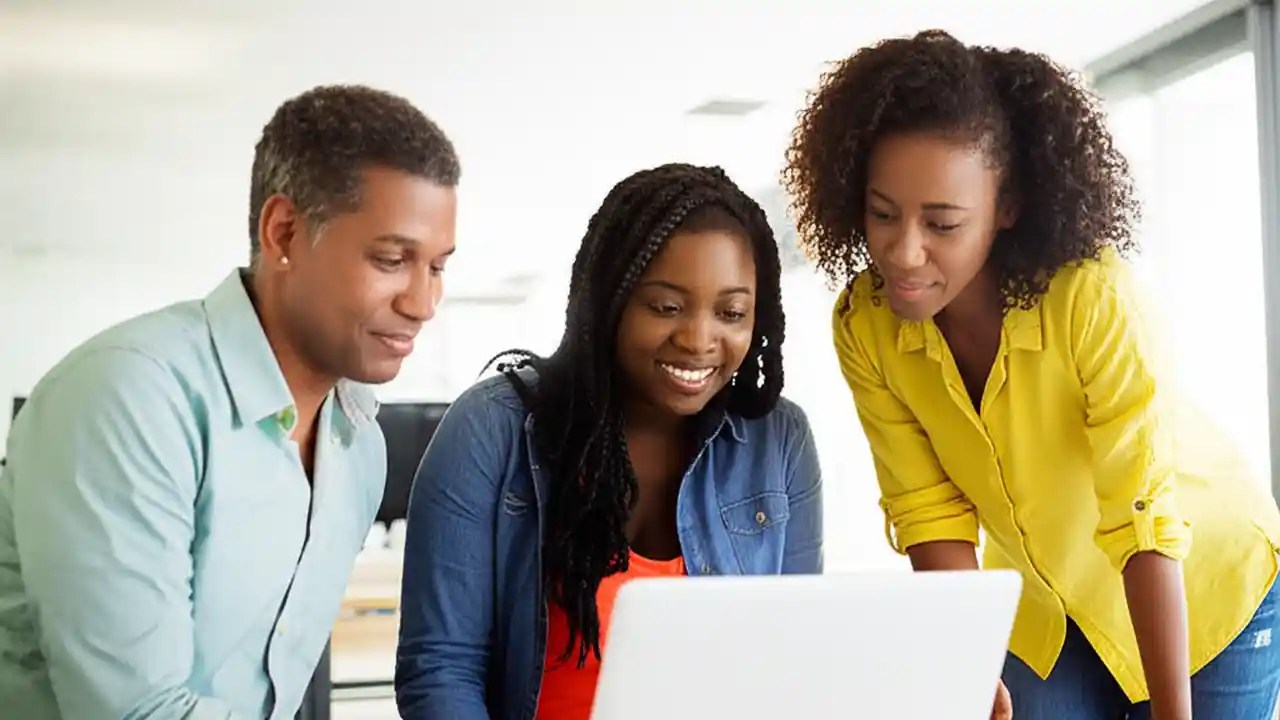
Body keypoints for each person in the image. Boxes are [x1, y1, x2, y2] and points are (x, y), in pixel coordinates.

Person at [783, 29, 1280, 720]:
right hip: (1052, 611)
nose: (902, 251)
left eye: (943, 222)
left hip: (1201, 585)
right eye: (883, 214)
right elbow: (928, 509)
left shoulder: (1089, 297)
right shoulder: (866, 325)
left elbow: (1143, 517)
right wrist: (968, 660)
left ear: (1007, 208)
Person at [0, 84, 460, 719]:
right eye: (390, 259)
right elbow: (138, 712)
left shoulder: (357, 445)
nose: (422, 303)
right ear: (285, 233)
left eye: (437, 267)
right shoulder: (132, 397)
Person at [395, 162, 824, 719]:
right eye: (666, 307)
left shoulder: (779, 442)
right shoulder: (491, 428)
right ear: (609, 301)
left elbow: (792, 663)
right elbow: (440, 669)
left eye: (731, 312)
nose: (698, 339)